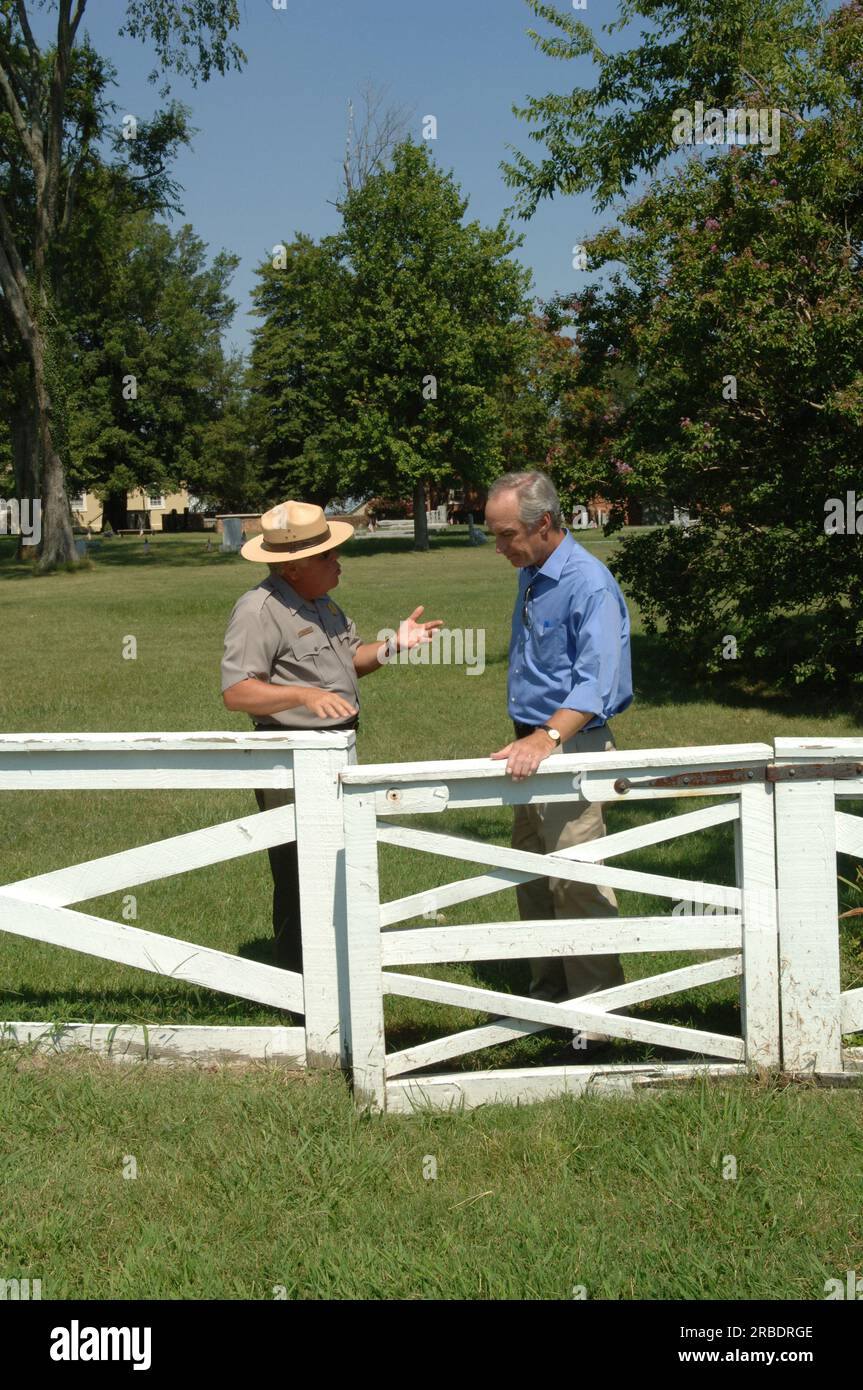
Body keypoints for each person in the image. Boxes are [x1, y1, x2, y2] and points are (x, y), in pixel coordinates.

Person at [221, 500, 441, 972]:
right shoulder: (258, 609)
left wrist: (391, 647)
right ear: (296, 566)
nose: (338, 561)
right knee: (300, 875)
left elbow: (347, 661)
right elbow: (237, 691)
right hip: (292, 761)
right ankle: (300, 991)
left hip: (338, 752)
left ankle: (338, 974)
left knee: (339, 867)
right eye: (327, 556)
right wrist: (301, 696)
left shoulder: (323, 602)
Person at [484, 471, 633, 1058]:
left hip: (568, 746)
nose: (500, 548)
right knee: (532, 877)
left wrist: (545, 738)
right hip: (532, 744)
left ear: (543, 524)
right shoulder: (532, 570)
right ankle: (547, 1000)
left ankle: (597, 1017)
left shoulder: (588, 583)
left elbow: (595, 685)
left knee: (577, 880)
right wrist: (530, 739)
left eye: (506, 535)